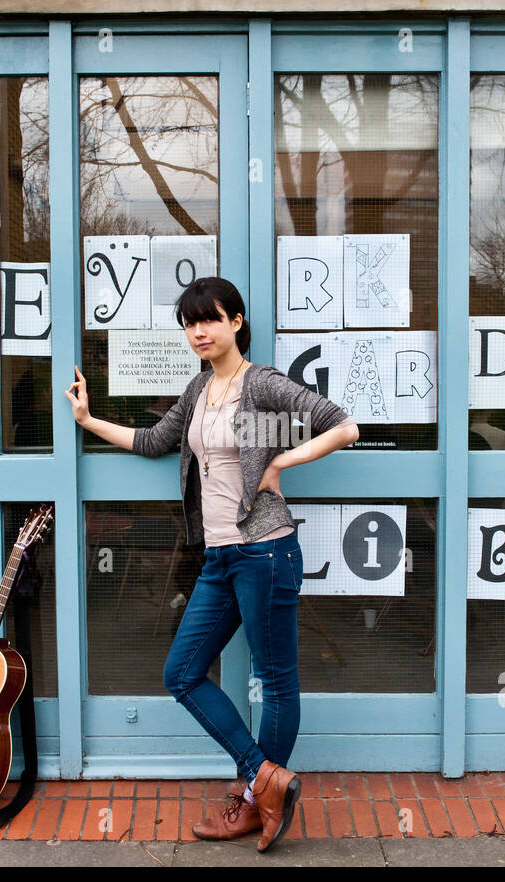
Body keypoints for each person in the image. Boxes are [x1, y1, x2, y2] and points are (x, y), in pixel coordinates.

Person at [65, 275, 358, 852]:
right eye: (190, 322)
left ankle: (252, 801)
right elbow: (154, 441)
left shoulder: (261, 384)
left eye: (211, 319)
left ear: (236, 323)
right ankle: (264, 778)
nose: (199, 331)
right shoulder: (199, 390)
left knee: (276, 682)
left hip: (266, 549)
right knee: (181, 671)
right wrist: (88, 421)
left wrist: (280, 466)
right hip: (220, 556)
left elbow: (343, 425)